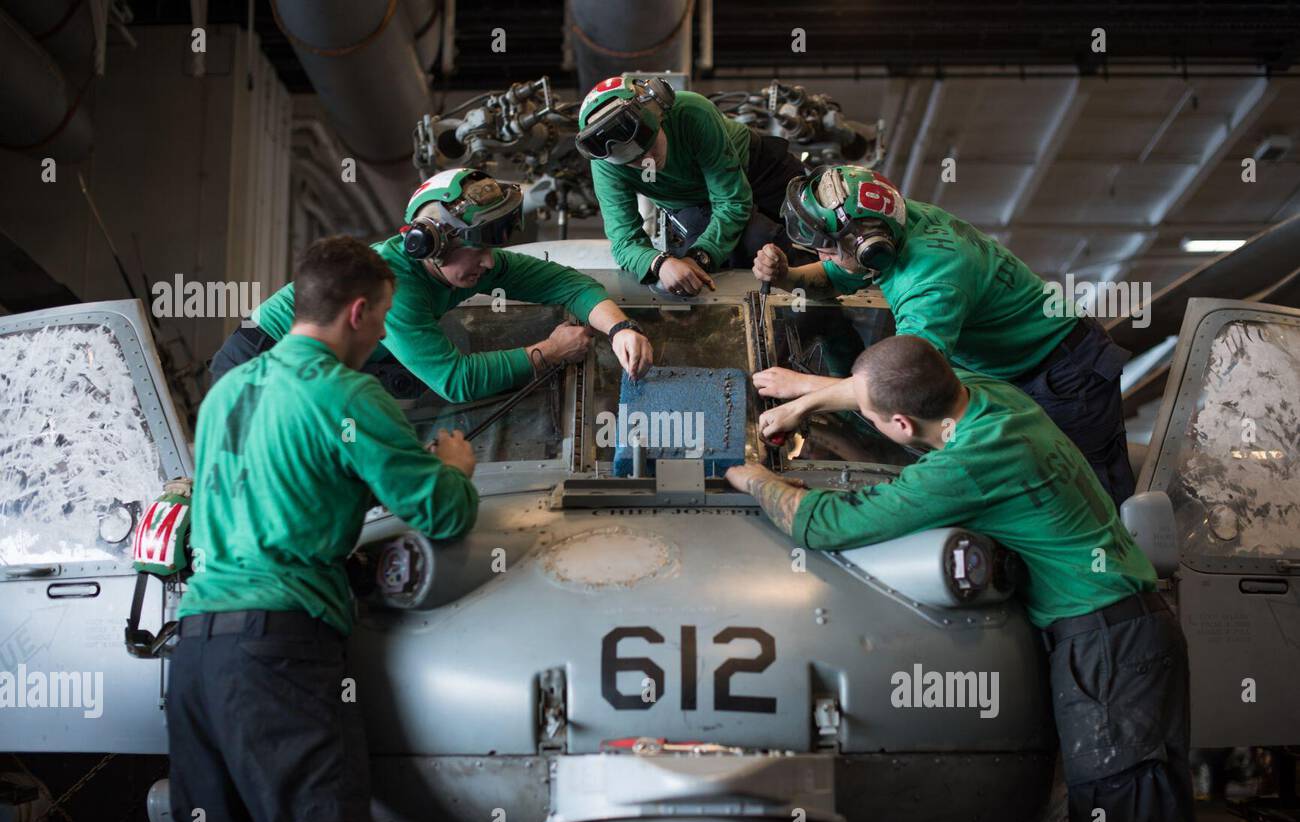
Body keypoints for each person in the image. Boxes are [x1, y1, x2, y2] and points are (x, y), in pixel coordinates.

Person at [726, 335, 1196, 822]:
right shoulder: (995, 399)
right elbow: (894, 385)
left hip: (1107, 647)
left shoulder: (966, 466)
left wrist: (753, 477)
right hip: (1127, 633)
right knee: (1125, 819)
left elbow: (824, 522)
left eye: (873, 417)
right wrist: (808, 398)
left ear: (902, 426)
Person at [169, 236, 481, 822]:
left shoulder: (226, 394)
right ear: (359, 312)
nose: (388, 330)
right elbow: (441, 513)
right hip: (279, 651)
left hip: (196, 653)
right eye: (387, 313)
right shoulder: (349, 396)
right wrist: (455, 467)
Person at [751, 164, 1136, 505]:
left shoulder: (932, 283)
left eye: (827, 249)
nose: (822, 258)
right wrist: (788, 276)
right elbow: (840, 275)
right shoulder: (894, 223)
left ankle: (1124, 574)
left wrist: (801, 394)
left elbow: (901, 382)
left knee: (1081, 493)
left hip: (1067, 376)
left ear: (868, 249)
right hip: (1010, 369)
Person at [210, 168, 654, 397]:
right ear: (431, 244)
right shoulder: (391, 285)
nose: (488, 262)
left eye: (490, 248)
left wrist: (620, 329)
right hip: (259, 362)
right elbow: (455, 381)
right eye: (476, 249)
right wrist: (549, 352)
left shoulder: (471, 263)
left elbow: (566, 284)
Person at [577, 74, 808, 298]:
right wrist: (661, 263)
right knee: (747, 248)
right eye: (633, 160)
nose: (648, 160)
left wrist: (698, 257)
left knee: (812, 232)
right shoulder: (605, 165)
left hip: (760, 170)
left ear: (659, 114)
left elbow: (732, 201)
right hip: (691, 201)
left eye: (651, 144)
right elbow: (624, 240)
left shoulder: (692, 112)